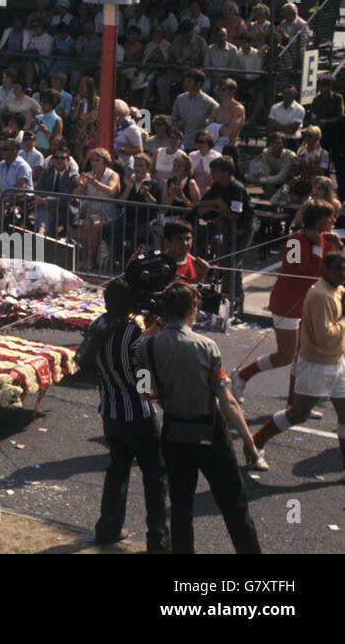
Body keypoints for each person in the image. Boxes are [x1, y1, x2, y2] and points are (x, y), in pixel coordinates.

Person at [135, 281, 264, 555]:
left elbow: (144, 394)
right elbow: (227, 401)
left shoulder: (146, 348)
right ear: (193, 308)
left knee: (181, 507)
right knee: (234, 504)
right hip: (209, 432)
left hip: (173, 432)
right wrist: (249, 440)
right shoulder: (206, 346)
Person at [84, 276, 169, 552]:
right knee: (154, 477)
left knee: (117, 471)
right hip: (139, 416)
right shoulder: (133, 332)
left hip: (110, 412)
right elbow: (144, 386)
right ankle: (158, 540)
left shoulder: (97, 325)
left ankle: (107, 528)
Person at [233, 200, 340, 404]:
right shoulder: (295, 240)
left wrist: (338, 246)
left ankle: (294, 402)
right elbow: (305, 273)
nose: (334, 220)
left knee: (302, 355)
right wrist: (318, 246)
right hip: (287, 302)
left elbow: (334, 270)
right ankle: (242, 375)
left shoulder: (325, 239)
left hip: (307, 304)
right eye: (330, 217)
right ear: (318, 220)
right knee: (285, 356)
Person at [249, 249, 345, 466]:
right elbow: (325, 336)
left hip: (338, 362)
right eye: (338, 269)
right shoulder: (320, 295)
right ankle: (256, 442)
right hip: (317, 365)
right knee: (298, 415)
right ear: (326, 269)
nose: (343, 273)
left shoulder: (338, 288)